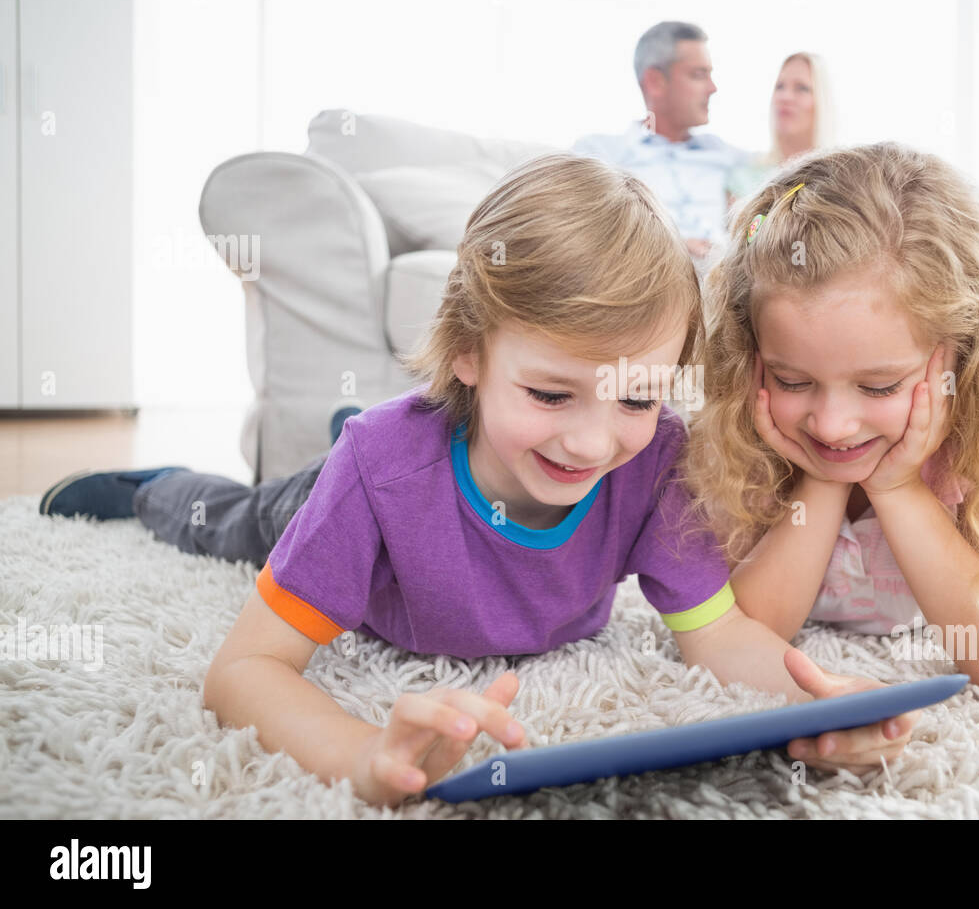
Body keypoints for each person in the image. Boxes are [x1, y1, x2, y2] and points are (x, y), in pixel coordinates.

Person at [40, 152, 921, 806]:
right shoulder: (381, 472)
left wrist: (816, 698)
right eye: (549, 392)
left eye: (637, 397)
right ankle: (148, 488)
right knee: (226, 523)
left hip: (421, 449)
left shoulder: (655, 463)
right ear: (466, 349)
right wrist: (361, 754)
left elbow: (720, 637)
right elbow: (244, 671)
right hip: (337, 485)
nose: (589, 441)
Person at [683, 143, 979, 723]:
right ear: (753, 356)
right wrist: (823, 482)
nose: (832, 425)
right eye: (791, 379)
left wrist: (899, 490)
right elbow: (735, 638)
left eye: (880, 387)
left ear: (965, 358)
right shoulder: (749, 446)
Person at [573, 21, 748, 270]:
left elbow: (786, 173)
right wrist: (670, 245)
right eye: (699, 75)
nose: (713, 88)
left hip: (723, 282)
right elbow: (584, 232)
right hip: (644, 276)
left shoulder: (725, 155)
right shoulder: (600, 154)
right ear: (655, 82)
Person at [725, 51, 835, 210]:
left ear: (822, 101)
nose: (785, 97)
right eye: (779, 86)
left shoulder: (840, 178)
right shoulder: (743, 178)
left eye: (801, 88)